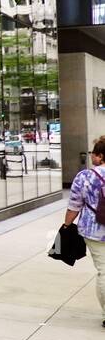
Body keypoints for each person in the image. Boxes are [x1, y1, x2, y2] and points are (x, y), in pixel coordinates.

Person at [63, 137, 105, 326]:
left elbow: (74, 206)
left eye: (93, 154)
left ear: (100, 156)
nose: (91, 158)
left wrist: (66, 226)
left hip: (94, 231)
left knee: (104, 271)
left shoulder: (85, 177)